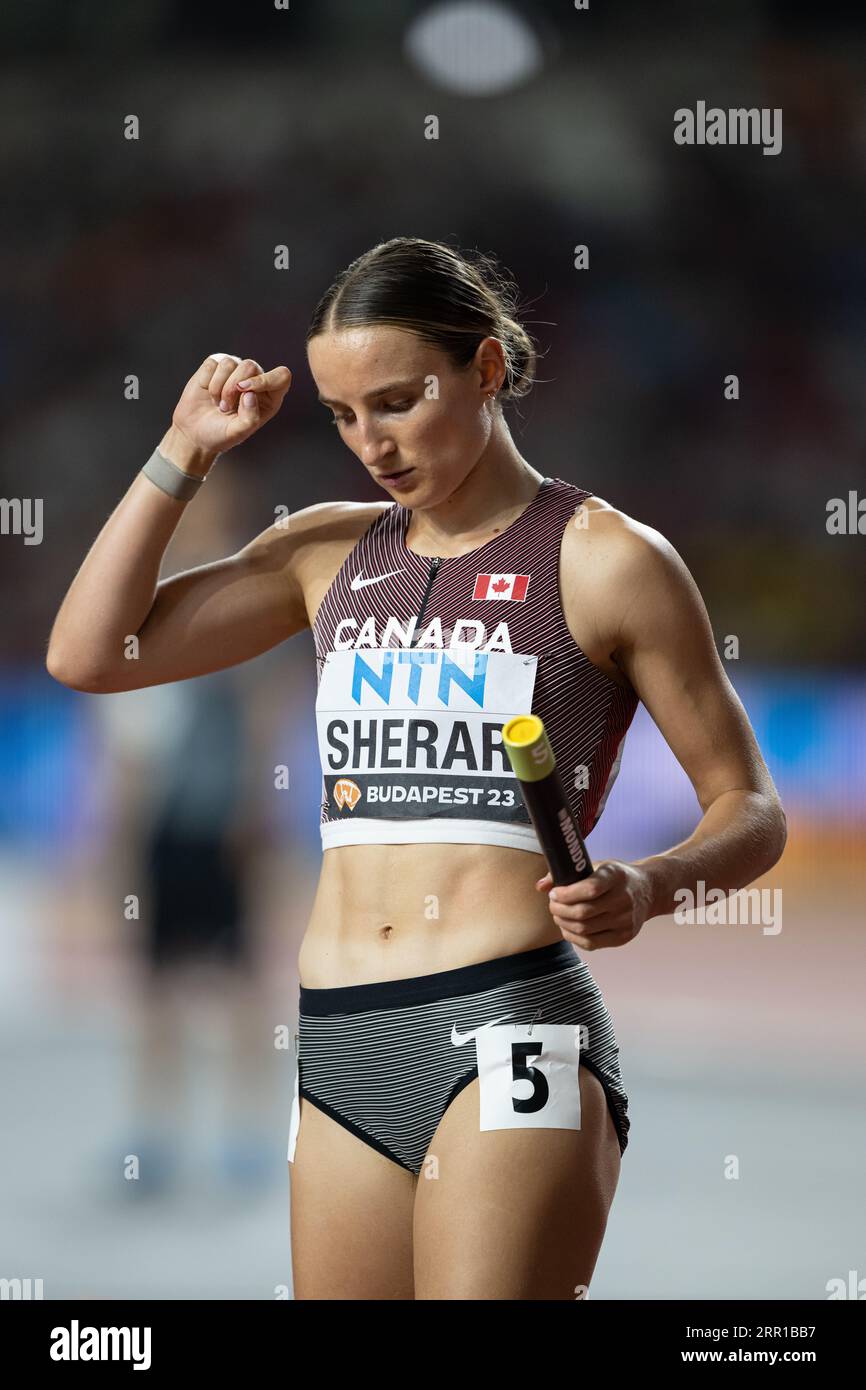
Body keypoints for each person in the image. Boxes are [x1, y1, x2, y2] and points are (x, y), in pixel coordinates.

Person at [46, 236, 787, 1300]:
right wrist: (182, 452)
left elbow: (748, 807)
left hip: (509, 1022)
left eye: (396, 402)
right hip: (341, 1036)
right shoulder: (324, 553)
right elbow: (87, 654)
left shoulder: (604, 558)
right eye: (344, 416)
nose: (371, 445)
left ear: (486, 369)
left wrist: (650, 883)